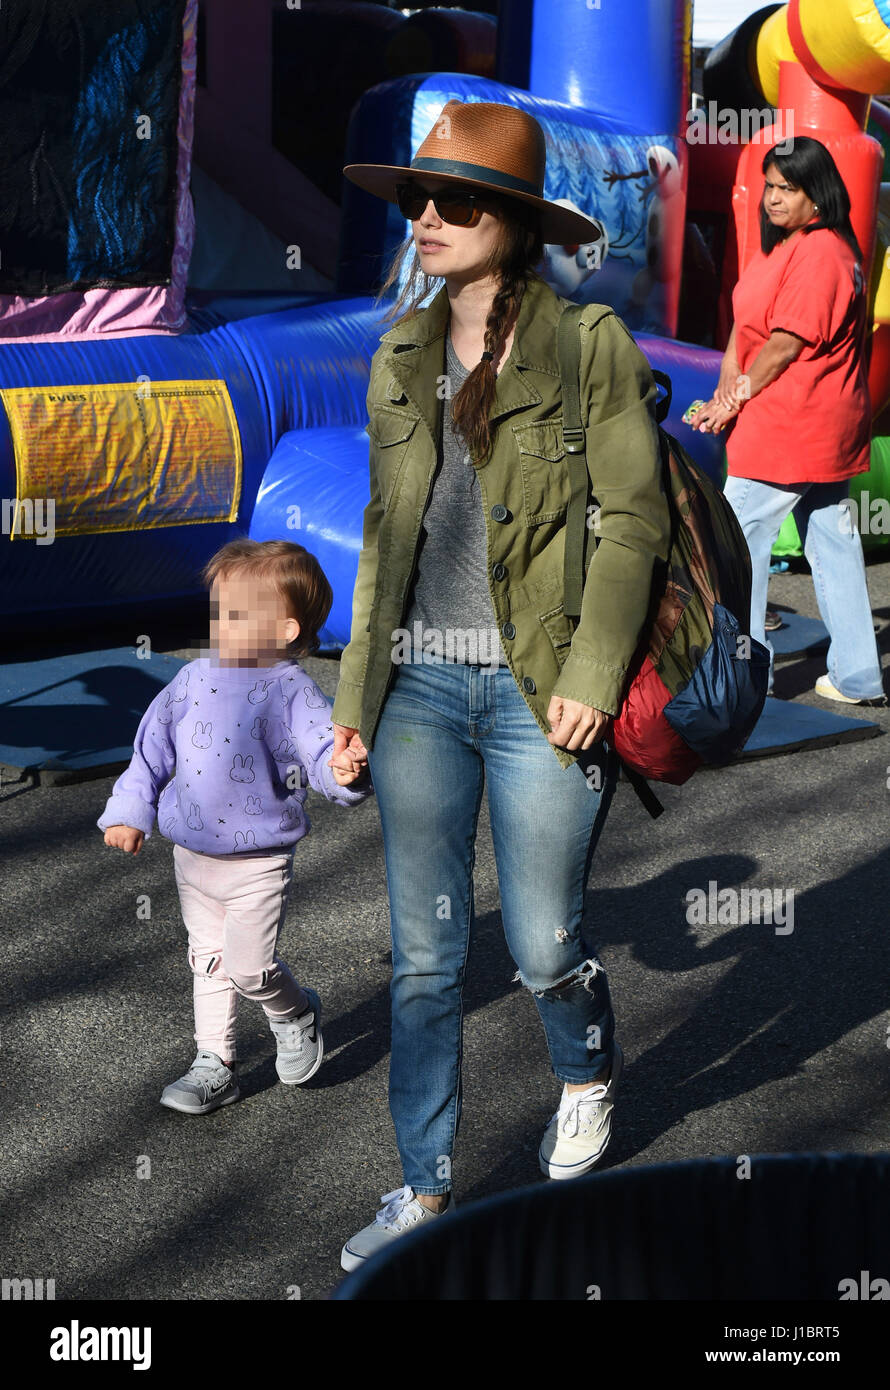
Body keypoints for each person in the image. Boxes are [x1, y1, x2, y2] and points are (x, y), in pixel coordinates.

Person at [331, 99, 671, 1270]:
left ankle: (583, 1069)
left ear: (514, 223)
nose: (425, 217)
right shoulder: (398, 352)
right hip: (419, 692)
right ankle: (424, 1191)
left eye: (454, 200)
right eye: (415, 199)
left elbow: (631, 523)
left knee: (538, 945)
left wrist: (588, 674)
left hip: (540, 698)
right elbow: (384, 535)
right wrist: (350, 702)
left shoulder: (589, 349)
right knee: (423, 960)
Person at [98, 539, 373, 1113]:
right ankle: (214, 1063)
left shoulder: (290, 689)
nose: (222, 626)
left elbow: (322, 749)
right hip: (192, 855)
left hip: (257, 861)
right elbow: (151, 748)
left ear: (287, 630)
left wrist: (342, 771)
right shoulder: (193, 678)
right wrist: (130, 810)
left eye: (239, 615)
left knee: (250, 969)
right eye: (220, 611)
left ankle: (294, 1011)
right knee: (208, 961)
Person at [694, 136, 884, 704]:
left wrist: (733, 400)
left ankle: (745, 680)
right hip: (803, 420)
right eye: (770, 187)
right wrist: (725, 387)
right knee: (832, 542)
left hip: (795, 424)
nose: (773, 198)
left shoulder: (824, 251)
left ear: (817, 195)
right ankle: (857, 676)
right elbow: (745, 326)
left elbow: (784, 344)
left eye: (787, 189)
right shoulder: (784, 246)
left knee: (737, 542)